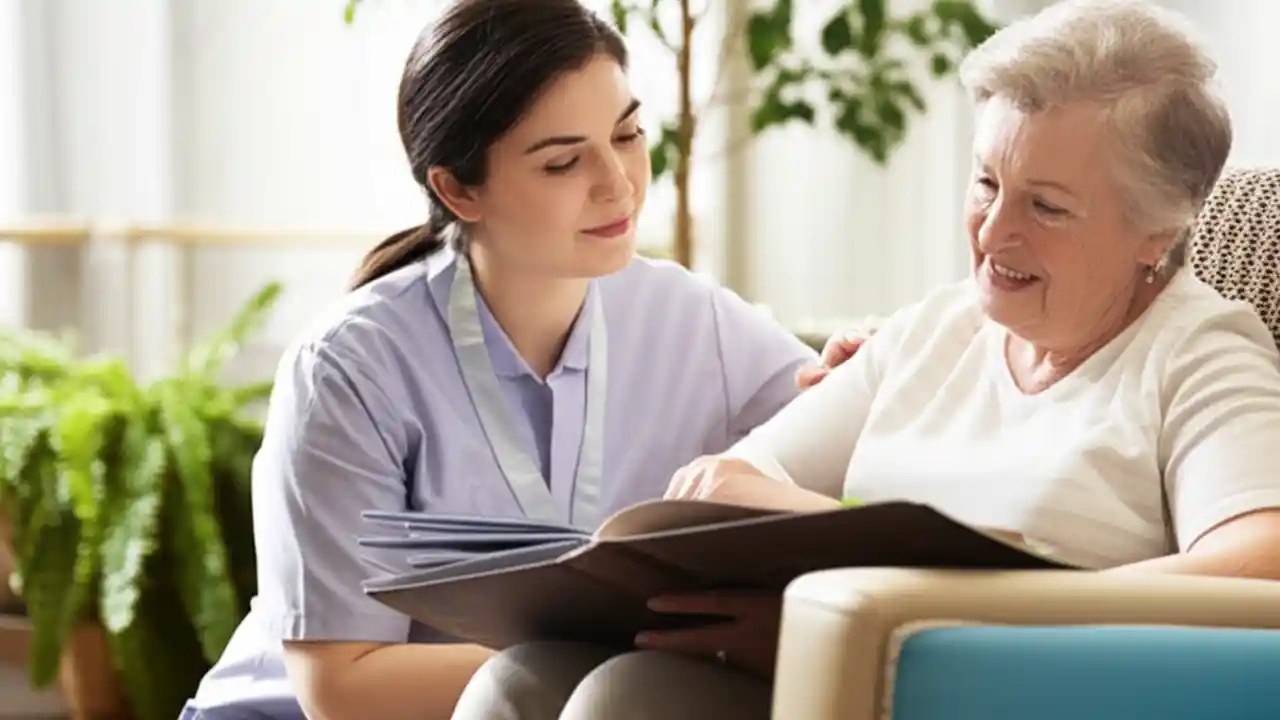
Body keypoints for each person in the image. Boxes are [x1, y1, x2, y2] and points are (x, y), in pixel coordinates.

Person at [454, 1, 1280, 718]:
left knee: (626, 703)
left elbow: (1256, 567)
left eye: (1048, 207)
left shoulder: (1198, 351)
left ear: (1159, 233)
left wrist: (901, 626)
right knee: (521, 681)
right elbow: (730, 488)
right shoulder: (935, 330)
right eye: (988, 183)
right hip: (835, 672)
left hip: (1005, 694)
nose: (993, 234)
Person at [177, 1, 825, 718]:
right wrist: (637, 644)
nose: (618, 182)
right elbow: (341, 689)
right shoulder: (351, 367)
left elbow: (859, 448)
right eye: (562, 162)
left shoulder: (695, 322)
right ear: (457, 188)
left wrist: (880, 381)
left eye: (628, 134)